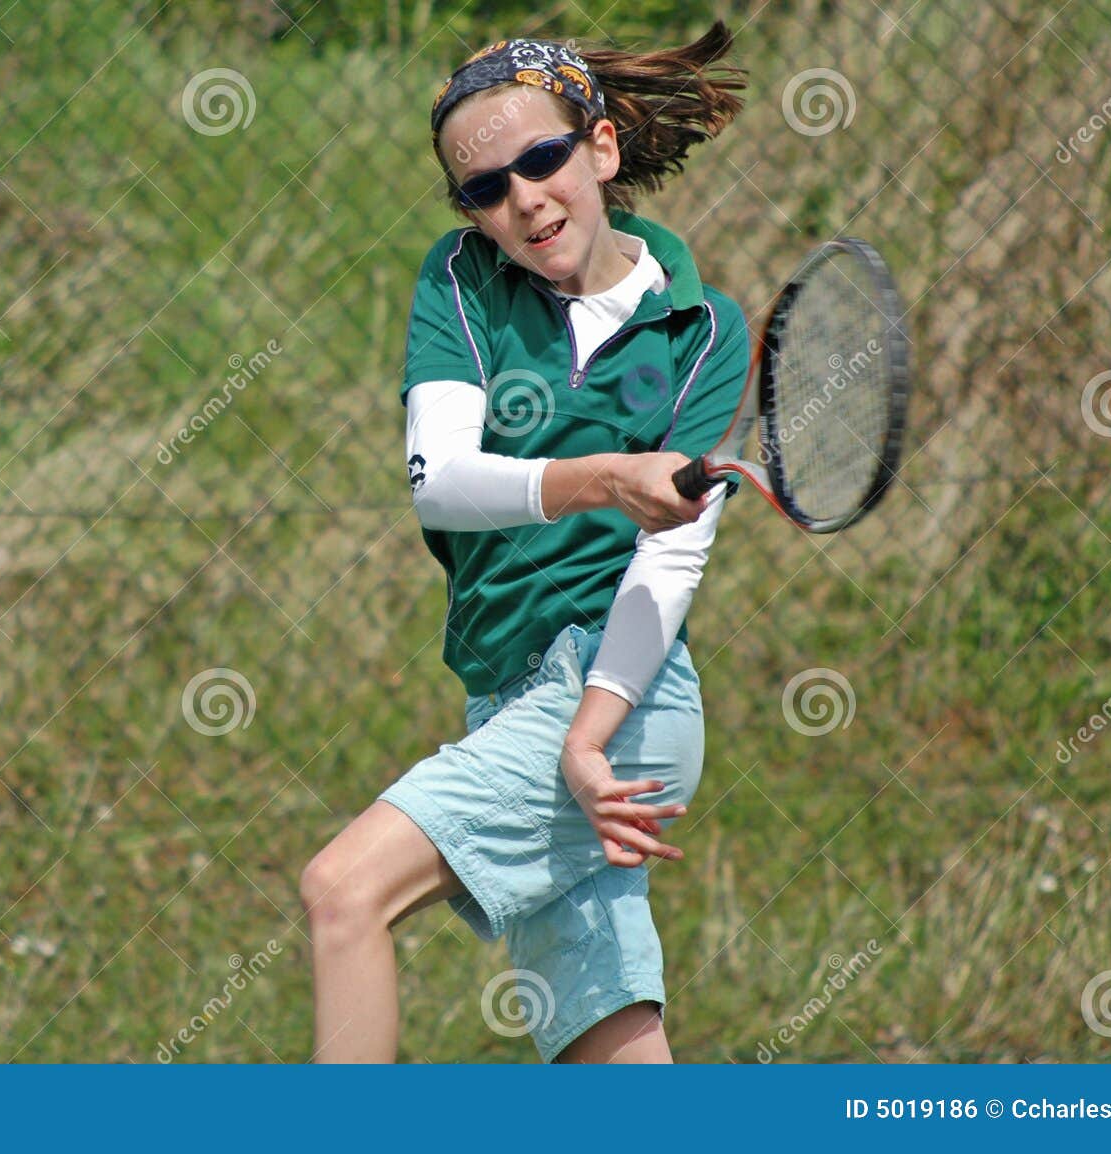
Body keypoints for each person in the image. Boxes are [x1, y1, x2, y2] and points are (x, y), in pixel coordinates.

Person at [301, 23, 749, 1063]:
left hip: (622, 702)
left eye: (542, 159)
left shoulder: (706, 332)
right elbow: (442, 481)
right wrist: (603, 478)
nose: (523, 199)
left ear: (598, 147)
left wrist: (589, 733)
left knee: (343, 890)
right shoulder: (465, 280)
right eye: (485, 187)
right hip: (509, 691)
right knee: (609, 1048)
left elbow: (668, 562)